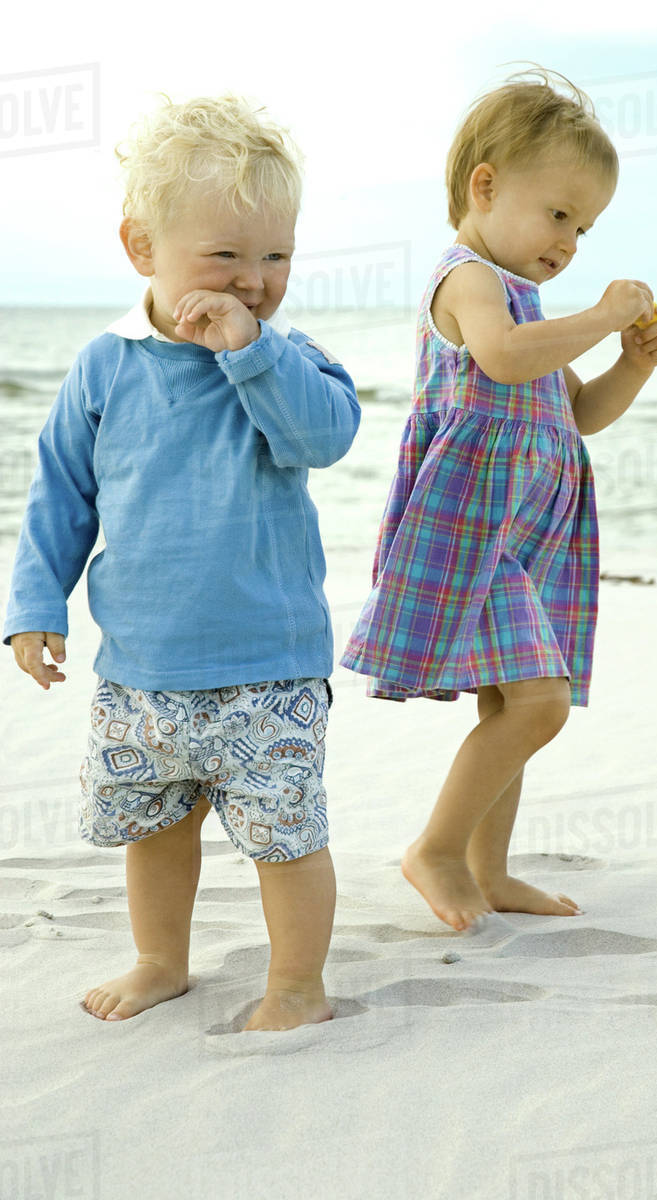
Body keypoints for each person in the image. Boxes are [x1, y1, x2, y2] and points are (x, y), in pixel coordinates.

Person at [3, 95, 361, 1030]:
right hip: (140, 670)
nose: (253, 280)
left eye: (275, 257)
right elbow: (59, 496)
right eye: (226, 256)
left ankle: (295, 984)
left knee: (285, 837)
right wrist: (35, 606)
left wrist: (251, 356)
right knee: (154, 829)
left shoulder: (290, 358)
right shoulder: (105, 366)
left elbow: (322, 439)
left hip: (268, 666)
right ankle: (161, 960)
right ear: (141, 248)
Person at [340, 67, 657, 933]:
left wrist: (629, 365)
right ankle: (437, 851)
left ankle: (487, 868)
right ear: (484, 187)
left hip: (523, 532)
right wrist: (602, 317)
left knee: (510, 701)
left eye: (584, 227)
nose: (568, 241)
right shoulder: (469, 282)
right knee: (539, 701)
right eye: (557, 214)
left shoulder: (526, 303)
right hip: (468, 530)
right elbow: (500, 359)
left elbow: (579, 414)